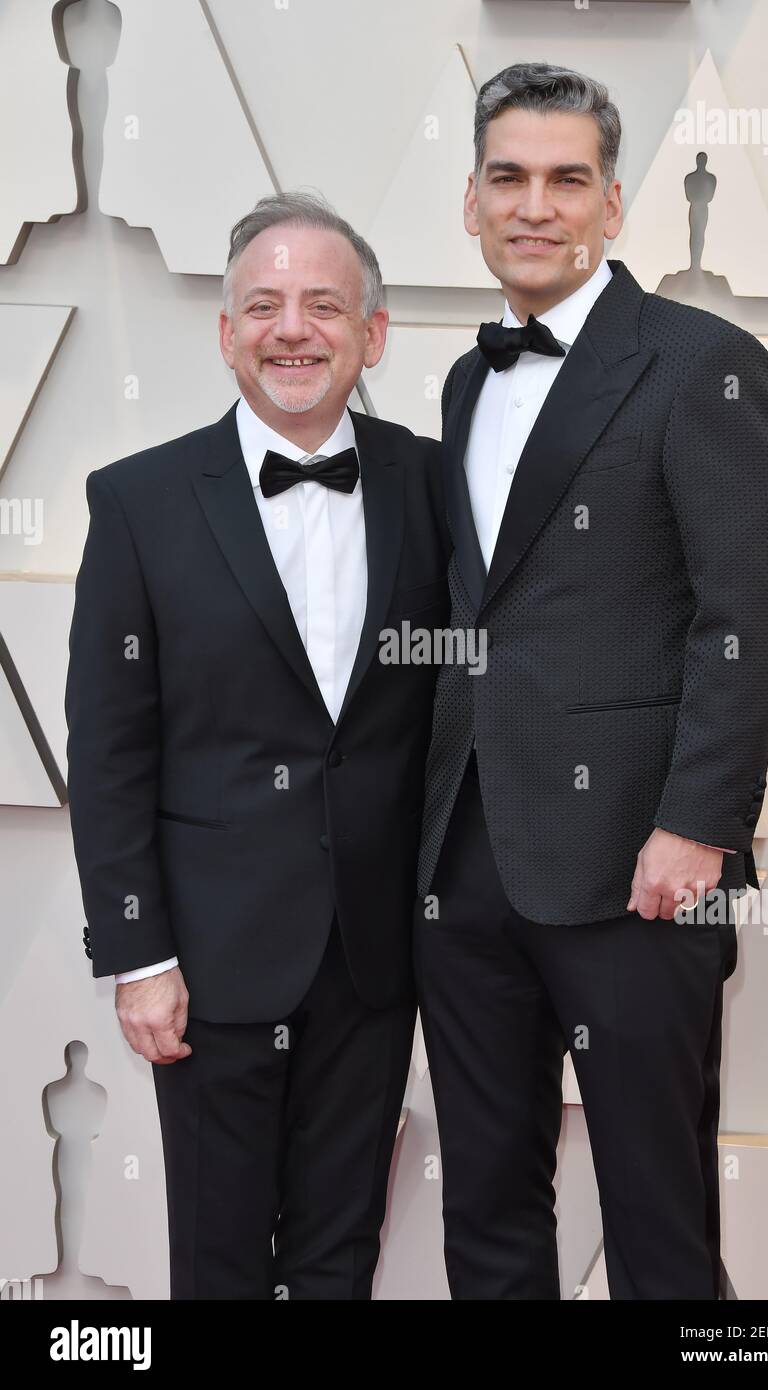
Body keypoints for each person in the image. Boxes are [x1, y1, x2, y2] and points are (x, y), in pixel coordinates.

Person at [415, 62, 768, 1300]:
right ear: (470, 199)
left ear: (613, 203)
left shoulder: (701, 363)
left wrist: (697, 826)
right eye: (507, 178)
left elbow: (742, 616)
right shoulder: (466, 380)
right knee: (485, 1202)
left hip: (640, 862)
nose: (534, 206)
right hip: (466, 853)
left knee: (656, 1224)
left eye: (565, 179)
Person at [65, 191, 450, 1299]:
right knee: (219, 1262)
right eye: (265, 306)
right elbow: (109, 748)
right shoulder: (138, 501)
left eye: (324, 305)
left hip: (376, 957)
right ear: (227, 331)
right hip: (208, 963)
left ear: (372, 333)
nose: (294, 330)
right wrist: (139, 958)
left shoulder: (432, 484)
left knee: (340, 1255)